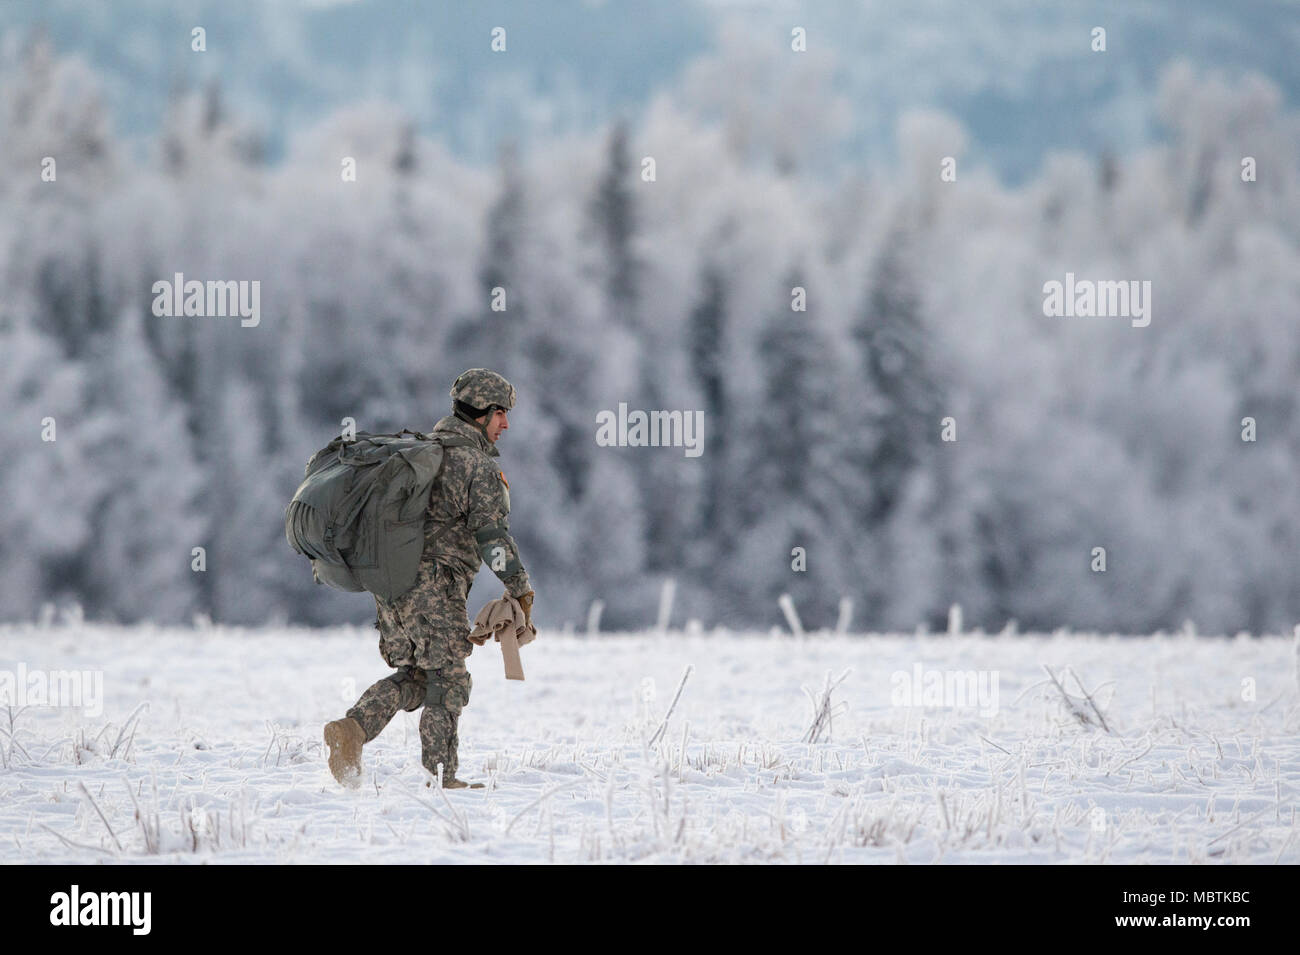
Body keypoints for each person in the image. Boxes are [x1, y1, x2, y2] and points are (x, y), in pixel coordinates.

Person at [323, 369, 534, 789]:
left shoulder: (424, 452)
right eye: (500, 414)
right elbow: (490, 535)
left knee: (418, 676)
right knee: (449, 678)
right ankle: (442, 778)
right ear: (479, 414)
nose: (505, 424)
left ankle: (352, 730)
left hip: (393, 583)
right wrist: (519, 586)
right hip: (435, 586)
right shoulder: (474, 465)